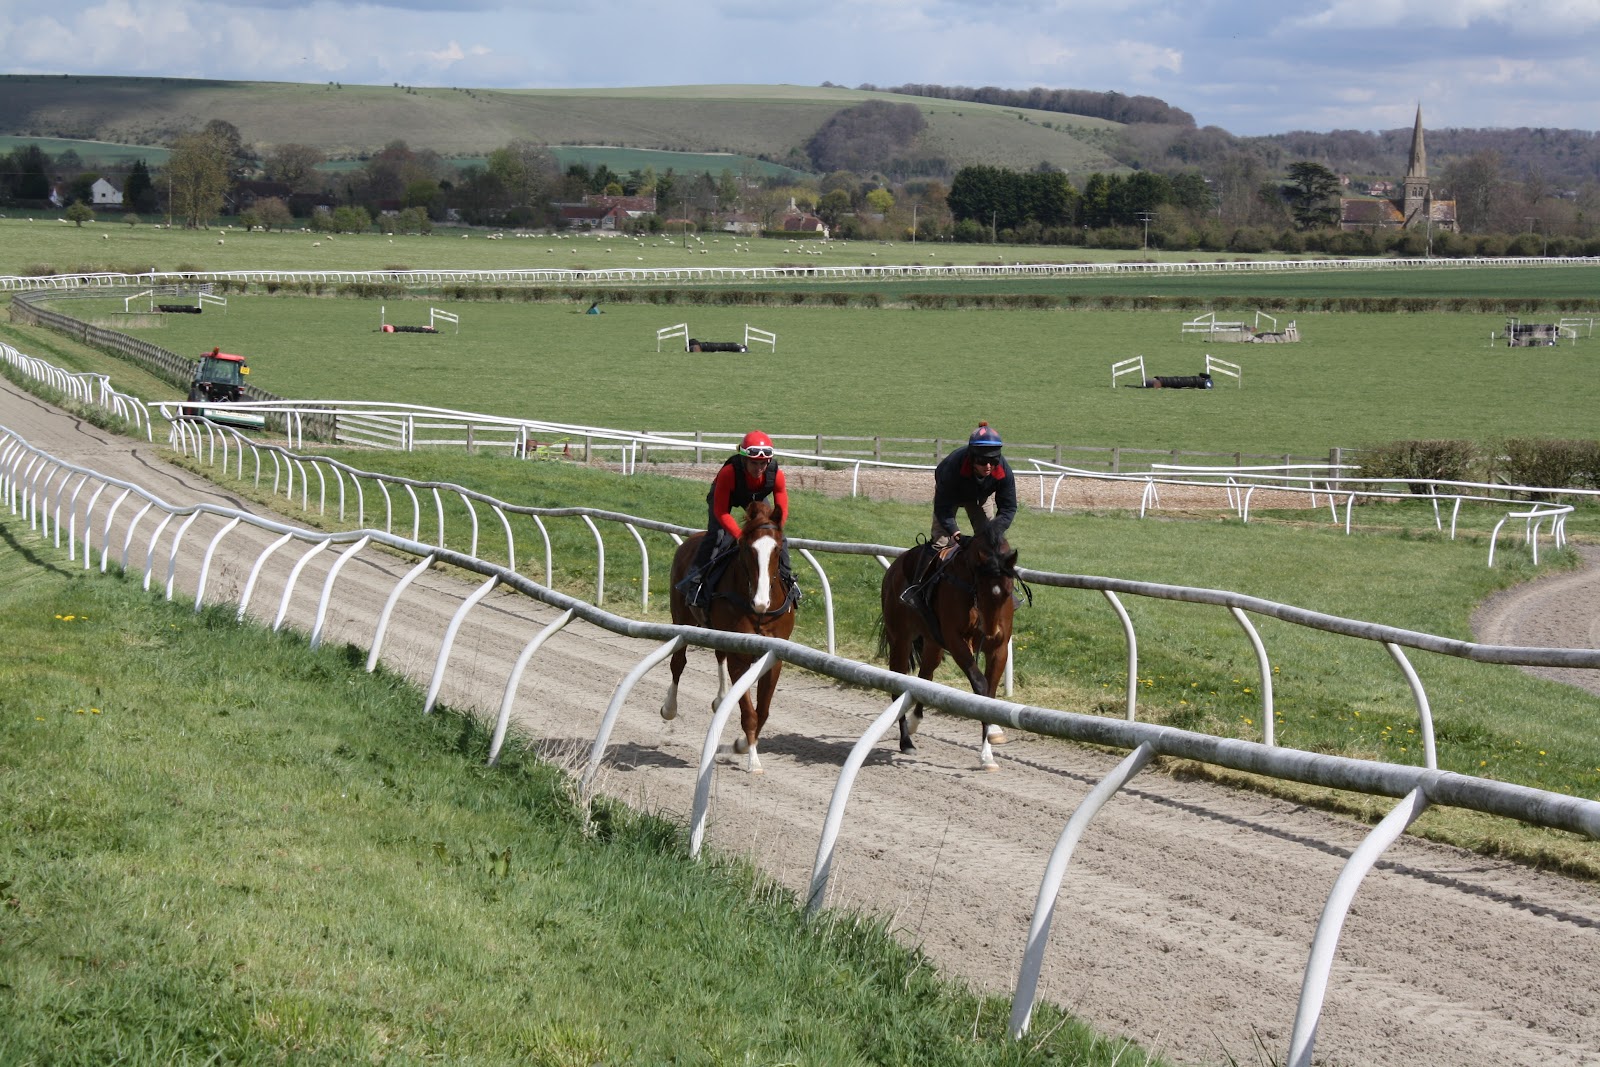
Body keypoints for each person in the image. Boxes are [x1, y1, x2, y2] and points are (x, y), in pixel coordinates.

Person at [678, 430, 799, 610]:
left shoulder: (777, 475)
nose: (759, 469)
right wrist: (740, 535)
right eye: (753, 463)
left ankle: (789, 581)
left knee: (779, 539)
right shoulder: (729, 473)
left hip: (755, 497)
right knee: (718, 535)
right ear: (744, 460)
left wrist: (775, 531)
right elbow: (721, 511)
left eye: (763, 464)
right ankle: (695, 584)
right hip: (726, 495)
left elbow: (782, 509)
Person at [903, 421, 1017, 602]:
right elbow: (942, 508)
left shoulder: (1003, 470)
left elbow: (1009, 508)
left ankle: (1000, 590)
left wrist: (994, 531)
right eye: (982, 461)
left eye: (993, 460)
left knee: (991, 543)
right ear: (972, 458)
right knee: (941, 542)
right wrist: (956, 535)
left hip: (980, 497)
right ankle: (918, 587)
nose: (988, 466)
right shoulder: (952, 467)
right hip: (951, 496)